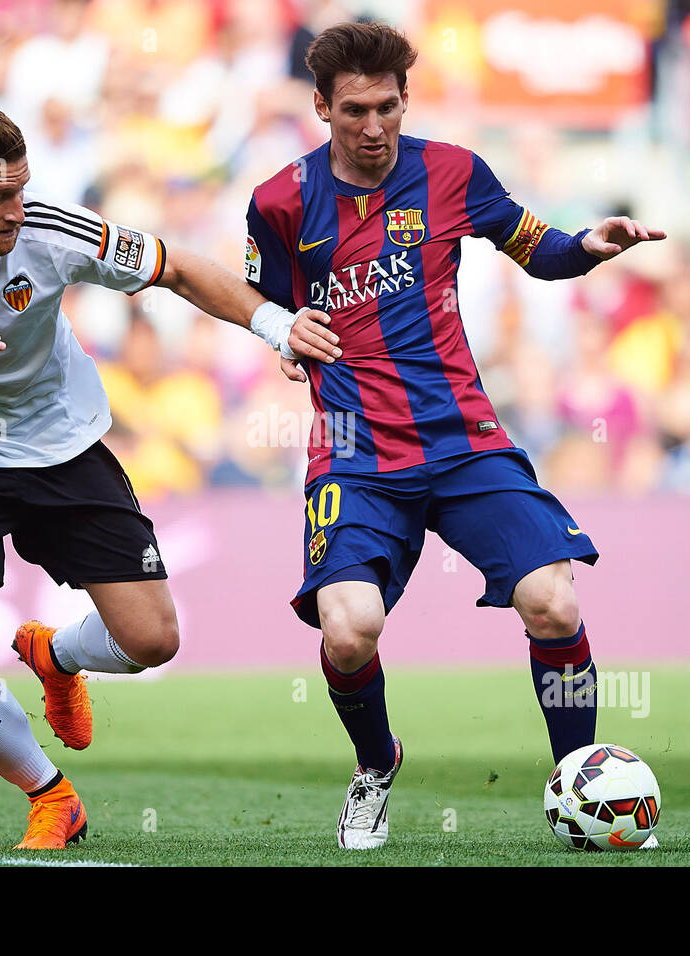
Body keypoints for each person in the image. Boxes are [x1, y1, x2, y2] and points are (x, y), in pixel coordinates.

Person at [0, 101, 334, 850]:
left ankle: (57, 653)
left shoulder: (50, 227)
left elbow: (175, 267)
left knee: (151, 641)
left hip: (61, 444)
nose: (16, 210)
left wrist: (276, 324)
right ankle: (51, 795)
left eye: (21, 189)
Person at [244, 23, 666, 849]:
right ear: (322, 106)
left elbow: (533, 246)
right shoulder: (279, 203)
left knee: (552, 599)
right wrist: (283, 337)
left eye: (389, 107)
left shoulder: (453, 171)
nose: (375, 127)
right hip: (355, 453)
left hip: (464, 438)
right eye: (356, 110)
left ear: (407, 98)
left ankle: (577, 782)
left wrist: (587, 246)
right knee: (348, 627)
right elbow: (269, 306)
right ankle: (376, 763)